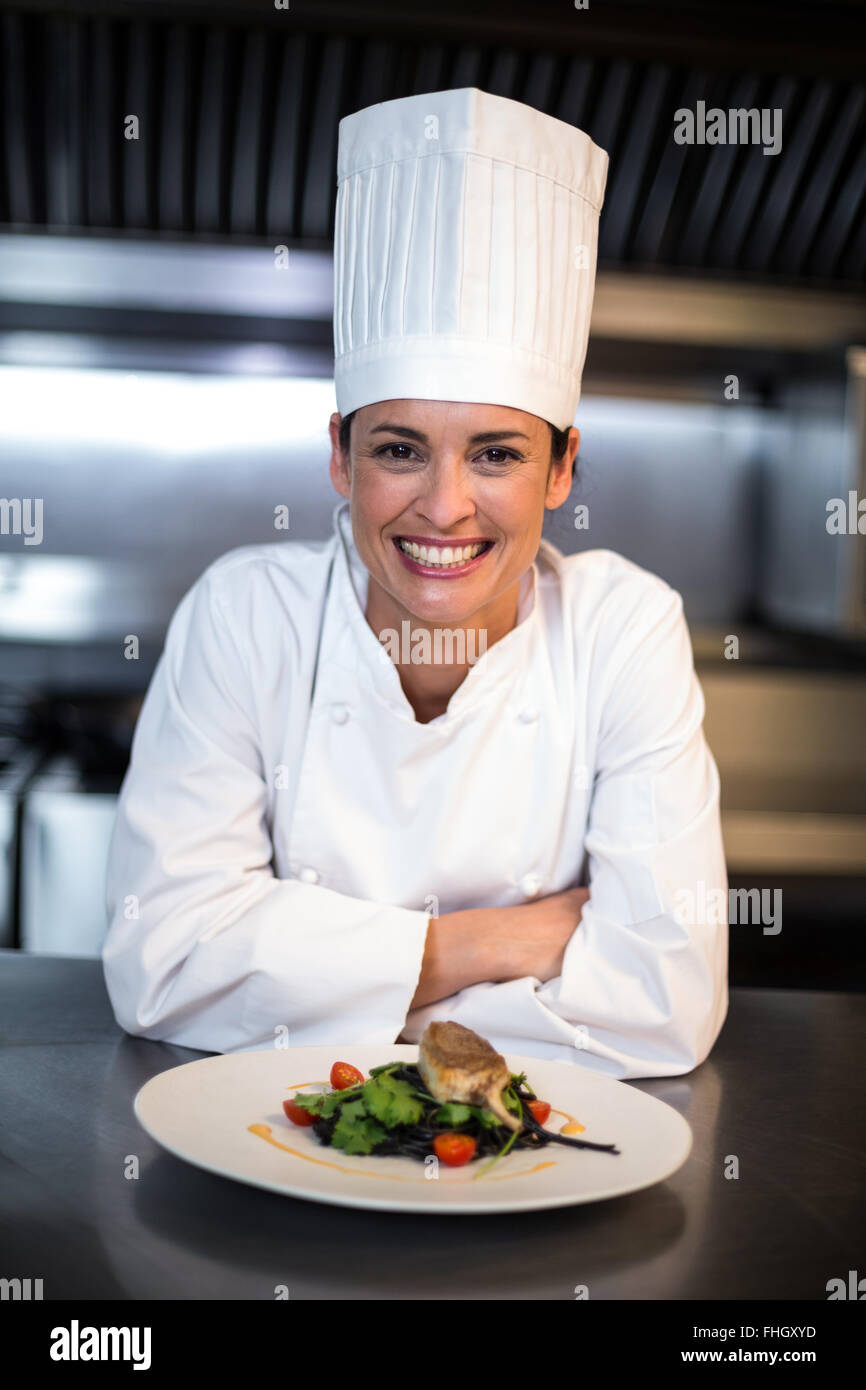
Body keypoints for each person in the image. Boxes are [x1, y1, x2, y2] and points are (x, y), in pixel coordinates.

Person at [103, 87, 728, 1077]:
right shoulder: (245, 614)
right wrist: (486, 946)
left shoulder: (624, 627)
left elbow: (657, 1009)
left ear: (560, 468)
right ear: (340, 460)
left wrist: (316, 987)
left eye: (494, 454)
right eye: (399, 449)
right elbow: (162, 967)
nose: (442, 508)